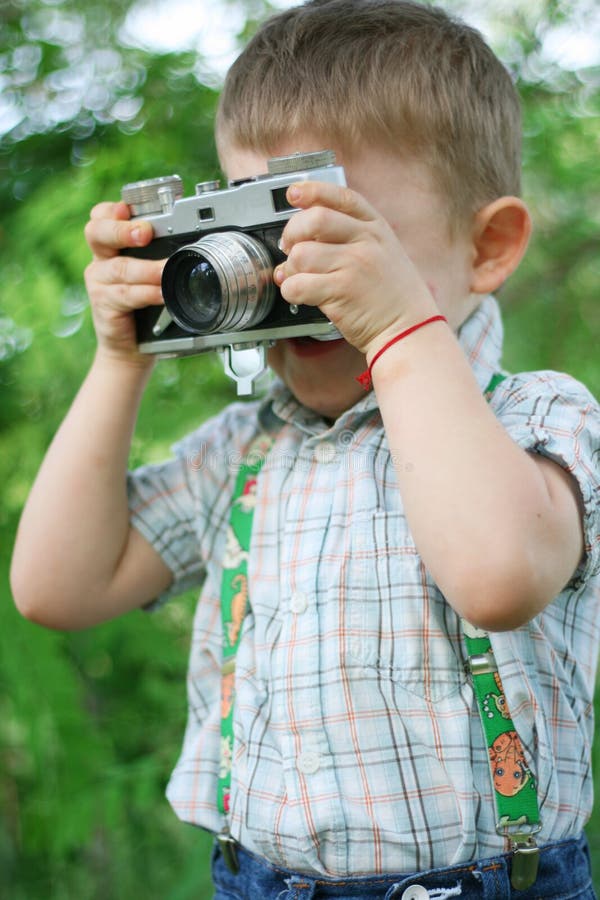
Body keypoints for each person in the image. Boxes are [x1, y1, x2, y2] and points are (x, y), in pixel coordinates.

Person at [10, 0, 600, 896]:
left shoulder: (540, 418)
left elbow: (498, 578)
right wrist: (122, 358)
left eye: (341, 239)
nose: (300, 280)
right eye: (268, 235)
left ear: (488, 246)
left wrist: (397, 327)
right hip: (255, 878)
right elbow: (57, 587)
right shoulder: (243, 451)